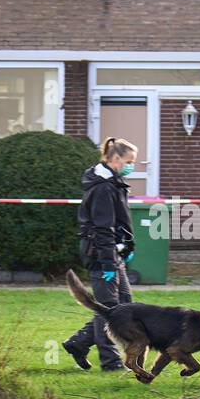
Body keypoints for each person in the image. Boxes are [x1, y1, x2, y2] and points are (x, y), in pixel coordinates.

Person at [62, 137, 138, 372]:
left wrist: (127, 246)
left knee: (123, 305)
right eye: (129, 161)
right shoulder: (103, 187)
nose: (131, 166)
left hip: (112, 252)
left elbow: (120, 221)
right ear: (115, 159)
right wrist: (107, 262)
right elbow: (103, 228)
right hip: (101, 253)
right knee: (109, 309)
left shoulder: (114, 182)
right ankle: (110, 362)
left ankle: (79, 343)